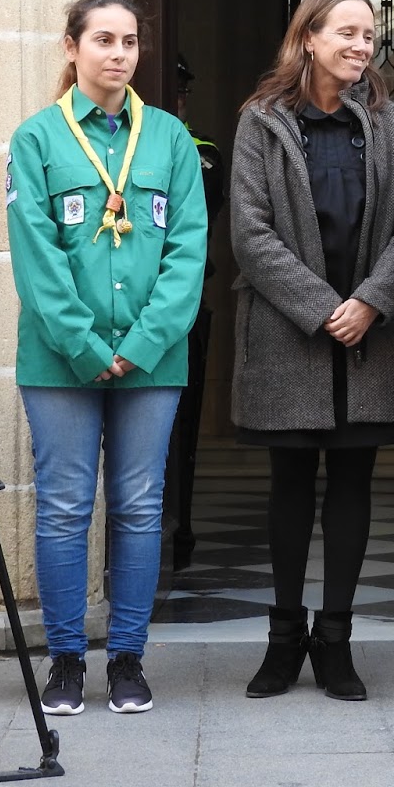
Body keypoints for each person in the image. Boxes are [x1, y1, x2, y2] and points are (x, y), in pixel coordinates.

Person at [5, 0, 207, 717]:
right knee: (62, 507)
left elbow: (188, 249)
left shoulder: (170, 140)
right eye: (103, 40)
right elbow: (36, 256)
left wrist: (147, 341)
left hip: (154, 360)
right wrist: (87, 345)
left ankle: (127, 658)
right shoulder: (38, 139)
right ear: (71, 47)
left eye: (129, 42)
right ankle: (65, 659)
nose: (118, 54)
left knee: (138, 505)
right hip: (61, 361)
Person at [230, 0, 394, 702]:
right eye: (345, 32)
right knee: (287, 487)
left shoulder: (388, 122)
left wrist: (370, 302)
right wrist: (323, 308)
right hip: (290, 335)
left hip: (369, 337)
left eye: (368, 35)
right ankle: (283, 641)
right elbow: (250, 234)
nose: (360, 46)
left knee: (353, 486)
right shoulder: (261, 123)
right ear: (307, 38)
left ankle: (335, 639)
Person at [164, 54, 226, 573]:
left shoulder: (201, 150)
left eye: (184, 89)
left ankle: (178, 532)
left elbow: (199, 207)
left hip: (182, 306)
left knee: (181, 431)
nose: (179, 97)